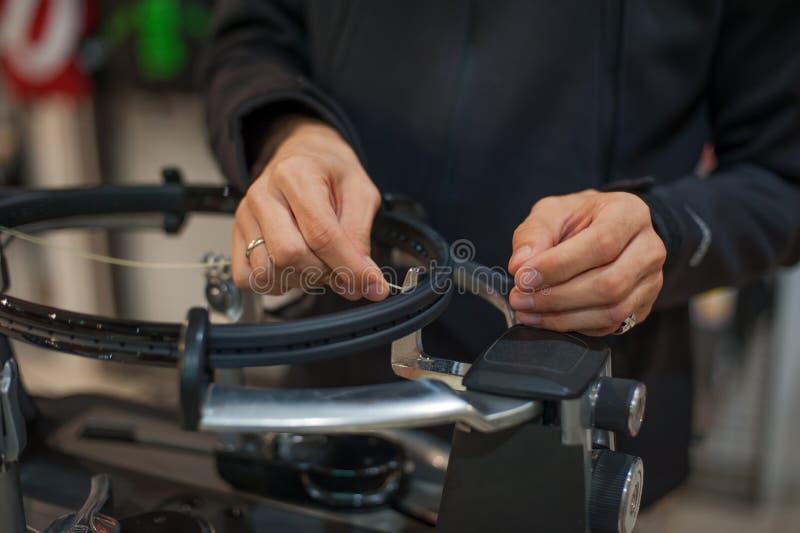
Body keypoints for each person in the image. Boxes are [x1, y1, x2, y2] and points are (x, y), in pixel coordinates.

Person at [204, 1, 800, 505]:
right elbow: (252, 35)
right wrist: (289, 131)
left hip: (582, 440)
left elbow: (782, 177)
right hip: (330, 417)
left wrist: (666, 235)